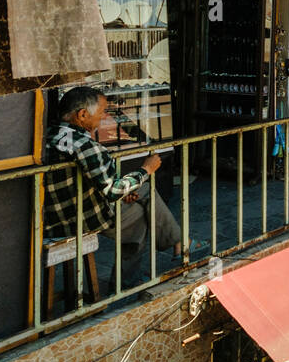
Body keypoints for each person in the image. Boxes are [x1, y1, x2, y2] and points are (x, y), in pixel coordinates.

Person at [45, 86, 184, 290]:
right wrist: (146, 169)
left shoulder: (49, 134)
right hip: (78, 220)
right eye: (101, 112)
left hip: (53, 216)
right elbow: (112, 190)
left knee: (144, 193)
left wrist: (124, 191)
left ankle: (178, 241)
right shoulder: (85, 146)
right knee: (140, 217)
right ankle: (128, 280)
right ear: (82, 115)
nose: (104, 118)